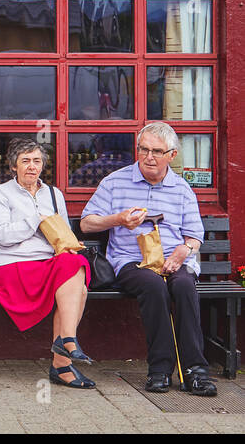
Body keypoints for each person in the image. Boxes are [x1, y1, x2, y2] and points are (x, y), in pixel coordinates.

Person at [80, 122, 216, 396]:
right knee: (153, 285)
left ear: (172, 155)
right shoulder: (115, 182)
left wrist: (184, 250)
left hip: (174, 259)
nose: (149, 157)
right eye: (143, 149)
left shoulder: (181, 189)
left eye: (157, 151)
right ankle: (160, 369)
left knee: (184, 286)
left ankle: (195, 371)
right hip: (131, 260)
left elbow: (194, 236)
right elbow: (86, 223)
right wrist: (117, 219)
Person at [0, 137, 95, 389]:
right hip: (11, 265)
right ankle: (64, 358)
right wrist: (35, 220)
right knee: (79, 288)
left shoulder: (54, 194)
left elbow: (63, 233)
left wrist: (70, 243)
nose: (32, 166)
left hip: (47, 262)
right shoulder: (1, 193)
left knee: (75, 262)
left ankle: (65, 347)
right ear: (13, 165)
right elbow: (2, 236)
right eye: (25, 161)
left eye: (37, 161)